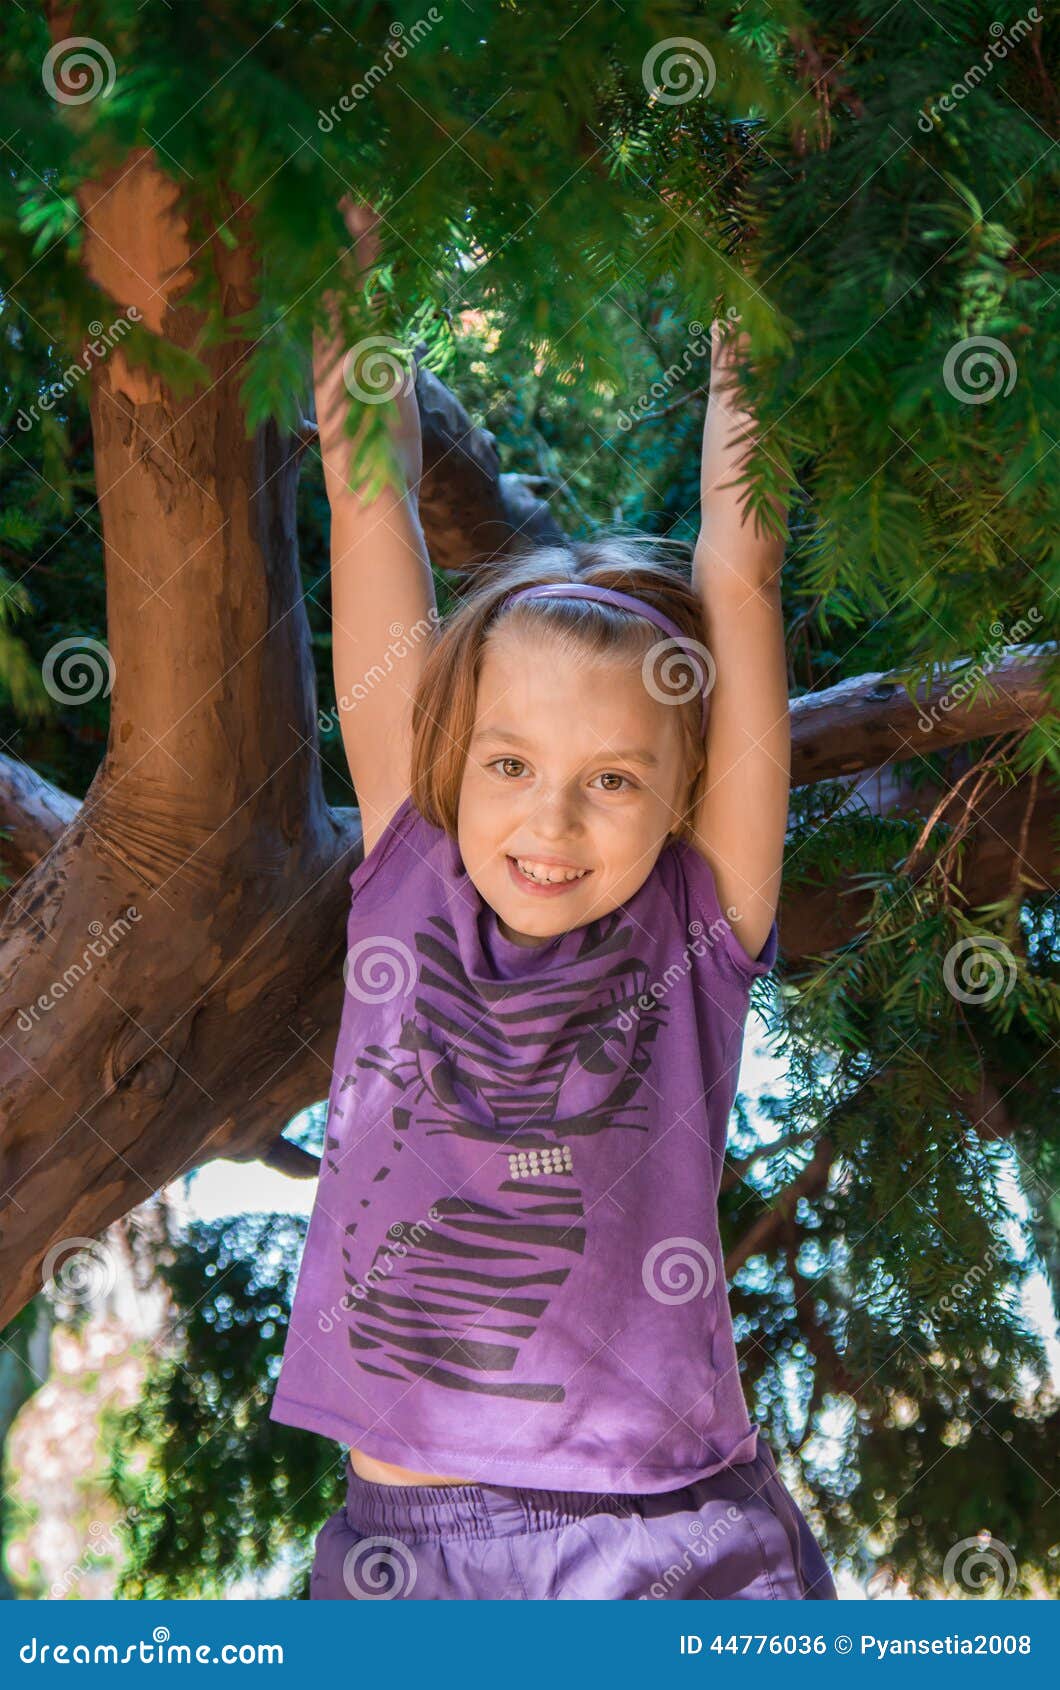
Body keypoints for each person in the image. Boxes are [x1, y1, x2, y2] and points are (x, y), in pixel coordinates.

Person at [269, 198, 837, 1601]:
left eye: (614, 781)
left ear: (684, 790)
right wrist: (343, 272)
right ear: (452, 761)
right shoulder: (412, 870)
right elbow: (367, 499)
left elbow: (739, 574)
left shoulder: (700, 926)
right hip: (403, 1558)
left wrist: (750, 312)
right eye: (512, 764)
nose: (552, 818)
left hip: (652, 1544)